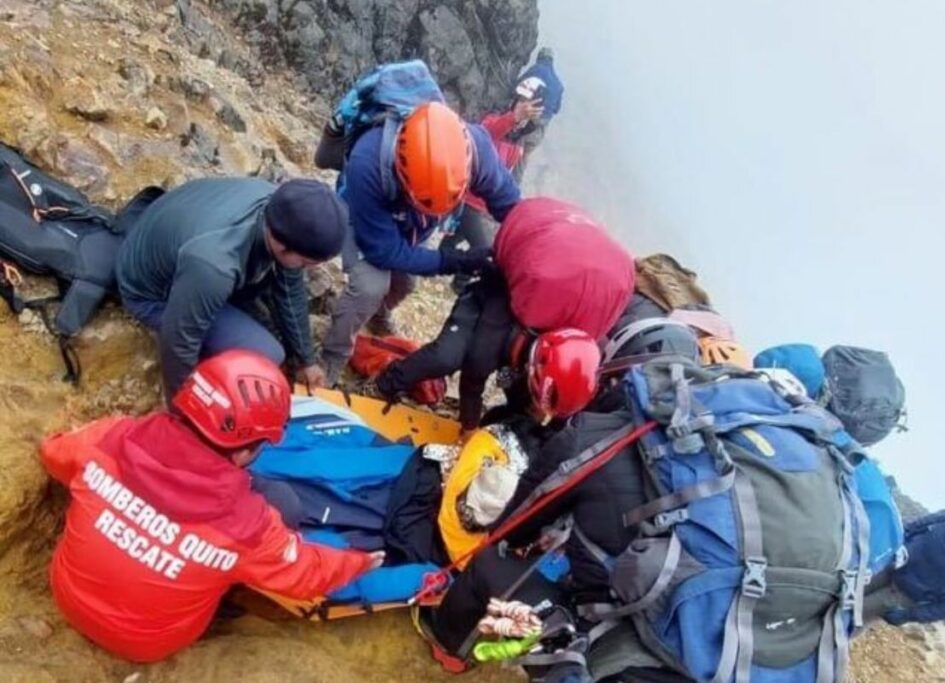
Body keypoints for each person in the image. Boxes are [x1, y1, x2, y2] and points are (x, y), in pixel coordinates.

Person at [40, 350, 382, 662]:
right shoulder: (247, 525)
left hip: (67, 596)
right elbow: (305, 574)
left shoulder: (110, 436)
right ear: (244, 451)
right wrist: (358, 563)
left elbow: (54, 454)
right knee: (281, 507)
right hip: (145, 641)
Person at [421, 321, 699, 681]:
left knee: (489, 563)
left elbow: (514, 527)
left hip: (608, 643)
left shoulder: (592, 438)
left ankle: (448, 646)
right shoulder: (708, 460)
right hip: (697, 649)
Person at [319, 102, 521, 386]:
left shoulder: (475, 151)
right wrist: (454, 261)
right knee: (370, 286)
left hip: (412, 225)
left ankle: (377, 314)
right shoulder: (368, 163)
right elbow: (384, 251)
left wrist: (524, 244)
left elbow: (510, 204)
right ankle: (331, 359)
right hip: (363, 215)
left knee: (405, 284)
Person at [116, 177, 346, 399]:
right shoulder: (215, 265)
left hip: (180, 240)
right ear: (281, 244)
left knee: (268, 310)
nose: (309, 268)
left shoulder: (283, 211)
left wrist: (306, 360)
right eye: (306, 263)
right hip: (150, 292)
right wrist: (183, 408)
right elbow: (180, 340)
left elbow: (290, 290)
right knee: (267, 354)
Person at [375, 270, 600, 430]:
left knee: (522, 406)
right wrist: (469, 429)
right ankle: (386, 383)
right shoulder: (487, 351)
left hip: (512, 333)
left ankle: (499, 431)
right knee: (445, 357)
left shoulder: (560, 332)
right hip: (479, 303)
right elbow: (471, 387)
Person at [439, 96, 544, 293]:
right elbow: (485, 134)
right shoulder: (493, 122)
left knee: (451, 241)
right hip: (468, 199)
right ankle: (459, 285)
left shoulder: (518, 143)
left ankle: (441, 266)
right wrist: (513, 117)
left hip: (483, 204)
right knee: (484, 246)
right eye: (523, 110)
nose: (524, 118)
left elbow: (512, 175)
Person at [513, 47, 564, 167]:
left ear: (540, 57)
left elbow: (518, 85)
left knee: (509, 150)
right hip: (540, 129)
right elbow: (556, 109)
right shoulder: (559, 84)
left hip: (527, 120)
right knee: (522, 160)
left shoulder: (537, 69)